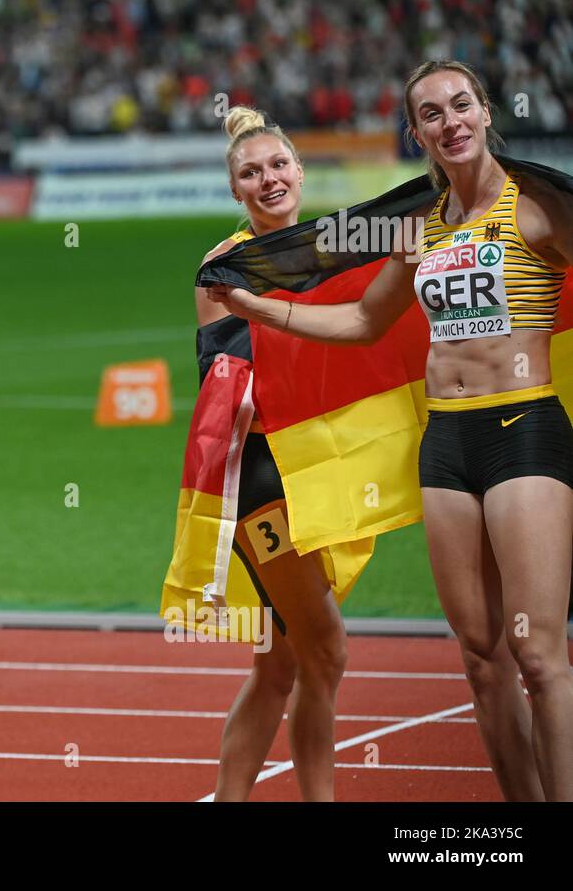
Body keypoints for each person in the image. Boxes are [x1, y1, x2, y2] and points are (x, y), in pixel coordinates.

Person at [211, 61, 573, 800]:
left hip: (524, 428)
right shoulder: (421, 228)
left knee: (537, 654)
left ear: (484, 111)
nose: (451, 121)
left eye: (462, 105)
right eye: (432, 113)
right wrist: (259, 309)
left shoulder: (538, 207)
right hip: (445, 446)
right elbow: (364, 321)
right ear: (417, 133)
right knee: (479, 657)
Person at [192, 106, 348, 801]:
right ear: (235, 191)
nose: (268, 179)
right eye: (251, 172)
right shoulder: (223, 267)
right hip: (262, 475)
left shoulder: (335, 246)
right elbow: (229, 377)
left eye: (278, 165)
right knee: (326, 652)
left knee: (280, 665)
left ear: (300, 172)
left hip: (326, 468)